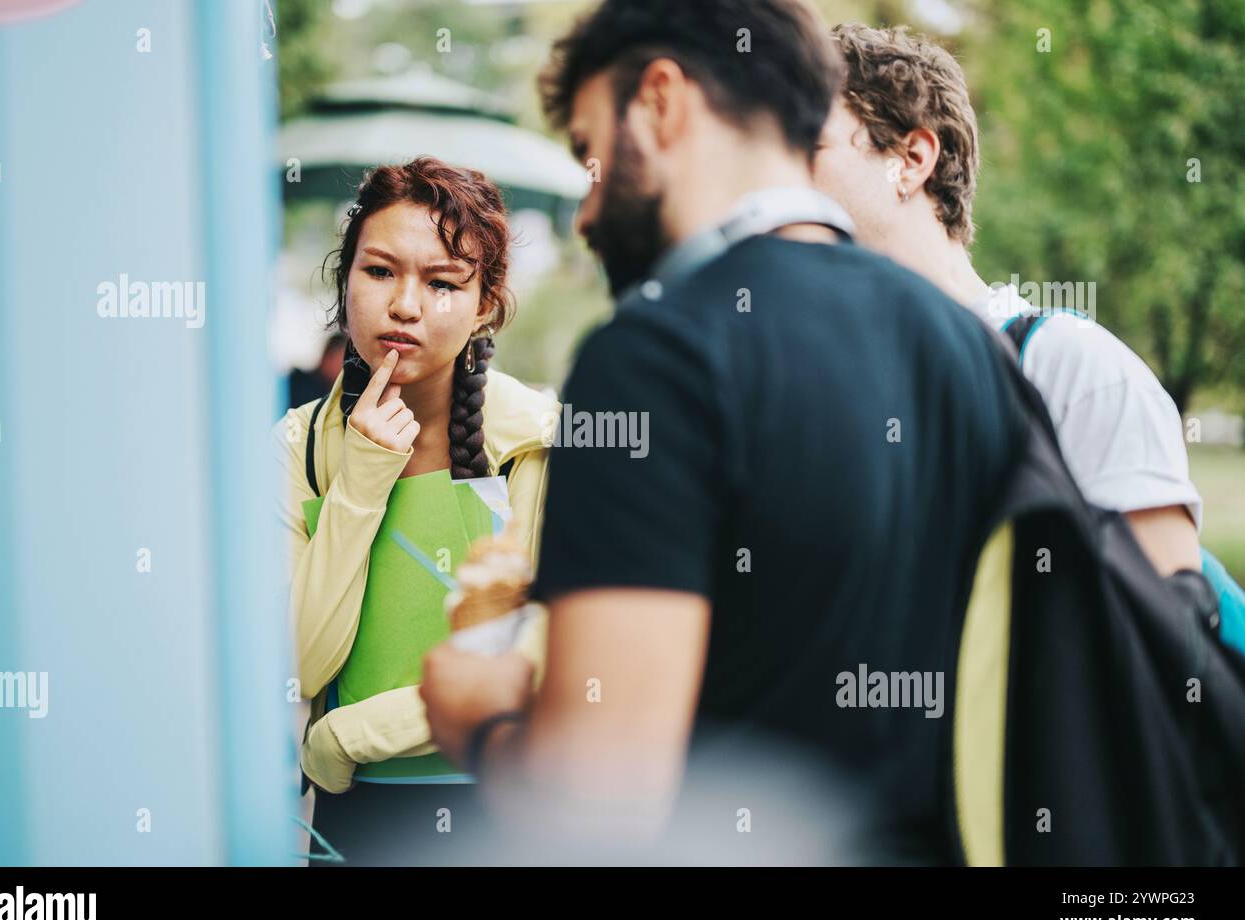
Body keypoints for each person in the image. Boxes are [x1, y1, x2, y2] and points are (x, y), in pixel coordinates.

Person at [419, 0, 1026, 863]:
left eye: (592, 156)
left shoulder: (650, 358)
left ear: (660, 100)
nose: (587, 217)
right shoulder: (971, 348)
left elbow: (597, 801)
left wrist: (477, 716)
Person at [808, 23, 1204, 579]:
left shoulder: (1077, 371)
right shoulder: (825, 386)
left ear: (912, 158)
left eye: (809, 145)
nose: (778, 178)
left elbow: (1166, 634)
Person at [273, 157, 558, 865]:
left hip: (511, 813)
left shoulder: (538, 439)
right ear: (345, 281)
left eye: (442, 283)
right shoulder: (299, 443)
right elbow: (299, 664)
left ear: (486, 303)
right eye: (379, 272)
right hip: (353, 824)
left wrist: (349, 736)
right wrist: (362, 481)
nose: (405, 305)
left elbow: (538, 661)